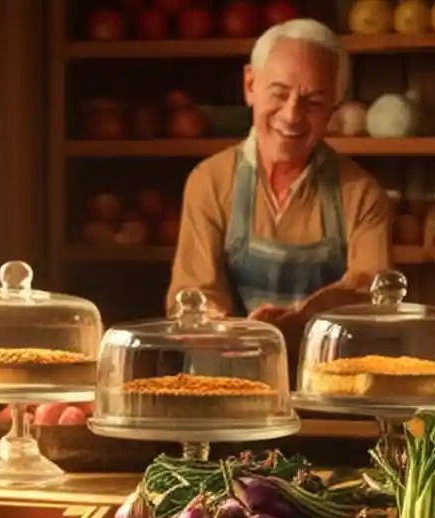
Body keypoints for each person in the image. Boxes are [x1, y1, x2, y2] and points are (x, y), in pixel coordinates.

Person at [165, 18, 392, 324]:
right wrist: (233, 328)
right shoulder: (210, 181)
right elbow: (192, 298)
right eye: (279, 93)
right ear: (250, 85)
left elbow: (373, 299)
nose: (292, 115)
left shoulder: (361, 193)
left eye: (313, 101)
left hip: (321, 368)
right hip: (226, 365)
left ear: (333, 108)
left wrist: (301, 318)